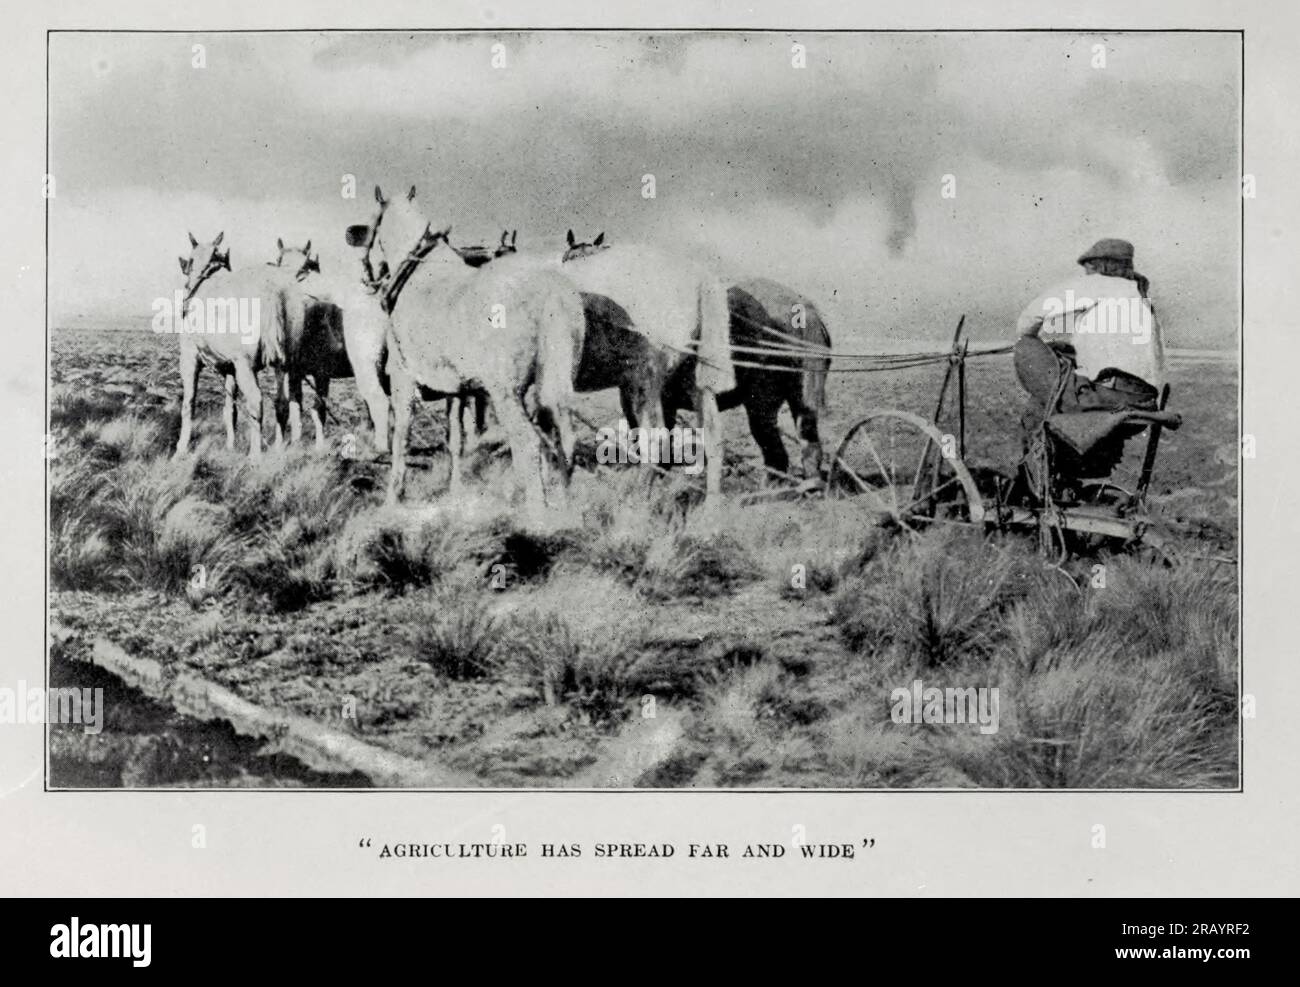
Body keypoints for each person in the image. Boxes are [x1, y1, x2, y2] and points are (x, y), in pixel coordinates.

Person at [1012, 238, 1169, 483]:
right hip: (1146, 400)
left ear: (1100, 266)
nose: (1085, 273)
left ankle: (1034, 482)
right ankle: (1061, 474)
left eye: (1088, 267)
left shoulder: (1099, 284)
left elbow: (1029, 318)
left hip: (1112, 395)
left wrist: (1031, 339)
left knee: (1026, 349)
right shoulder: (1139, 295)